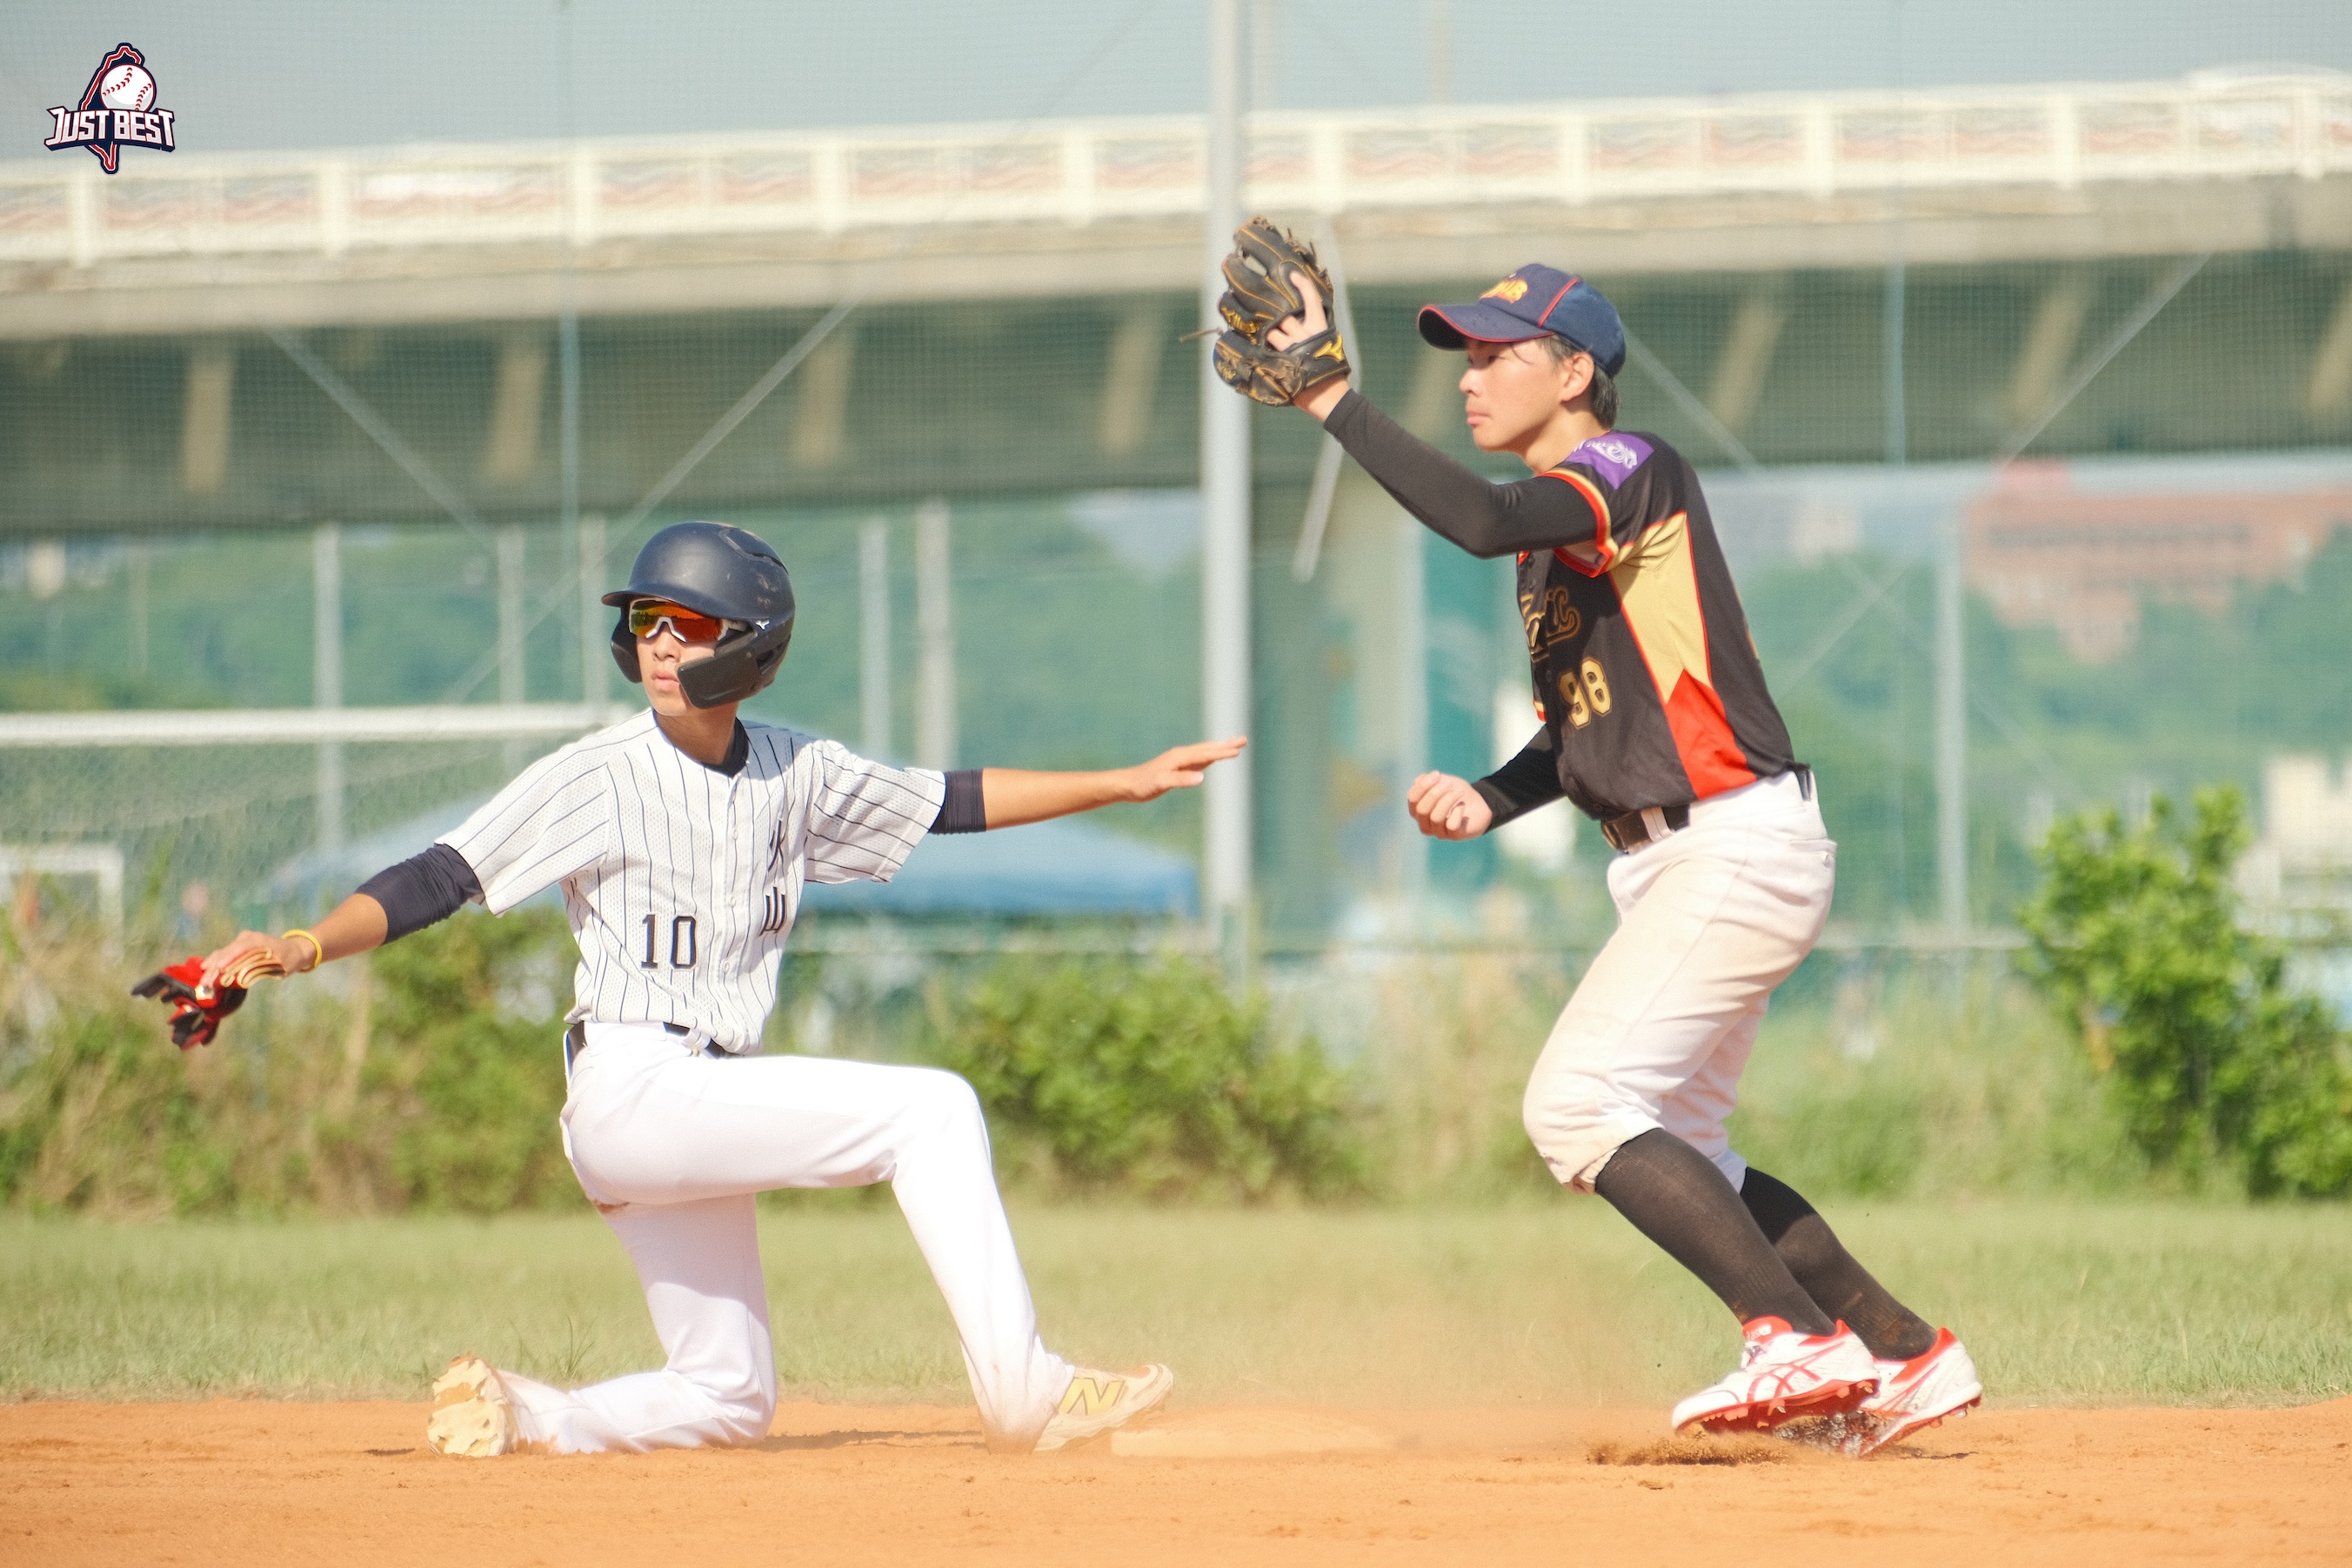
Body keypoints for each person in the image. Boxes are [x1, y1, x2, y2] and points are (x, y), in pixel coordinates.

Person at [196, 519, 1242, 1458]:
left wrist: (1125, 780)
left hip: (694, 1103)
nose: (658, 640)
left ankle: (523, 1413)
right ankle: (1029, 1395)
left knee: (730, 1394)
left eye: (687, 621)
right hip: (636, 1084)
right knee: (933, 1109)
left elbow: (946, 802)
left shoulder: (797, 770)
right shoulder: (596, 773)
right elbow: (440, 875)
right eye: (647, 618)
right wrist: (303, 945)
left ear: (750, 644)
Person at [1252, 259, 1979, 1452]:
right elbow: (1591, 719)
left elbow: (1480, 519)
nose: (1472, 377)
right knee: (1685, 1146)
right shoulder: (1560, 540)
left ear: (1577, 369)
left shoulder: (1631, 470)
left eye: (1496, 353)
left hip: (1731, 845)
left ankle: (1792, 1339)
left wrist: (1332, 396)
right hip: (1687, 858)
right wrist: (1495, 796)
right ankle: (1903, 1352)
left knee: (1576, 1102)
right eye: (1466, 357)